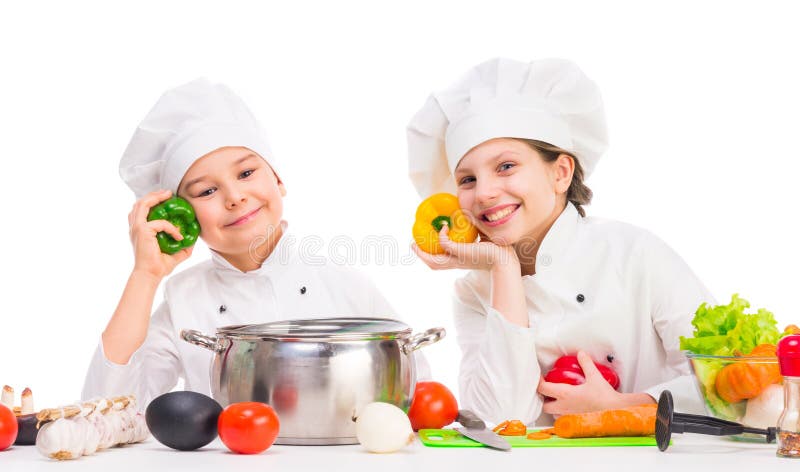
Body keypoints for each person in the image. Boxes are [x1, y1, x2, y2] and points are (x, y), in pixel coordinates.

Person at [83, 78, 427, 409]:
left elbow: (416, 388)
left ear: (277, 179)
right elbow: (109, 411)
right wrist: (145, 275)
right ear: (183, 216)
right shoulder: (183, 301)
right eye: (207, 191)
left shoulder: (344, 282)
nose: (234, 197)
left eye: (246, 173)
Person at [407, 58, 713, 426]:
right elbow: (501, 421)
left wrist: (624, 405)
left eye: (505, 166)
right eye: (467, 179)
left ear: (561, 172)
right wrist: (503, 267)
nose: (484, 193)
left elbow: (725, 384)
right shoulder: (475, 293)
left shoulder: (635, 254)